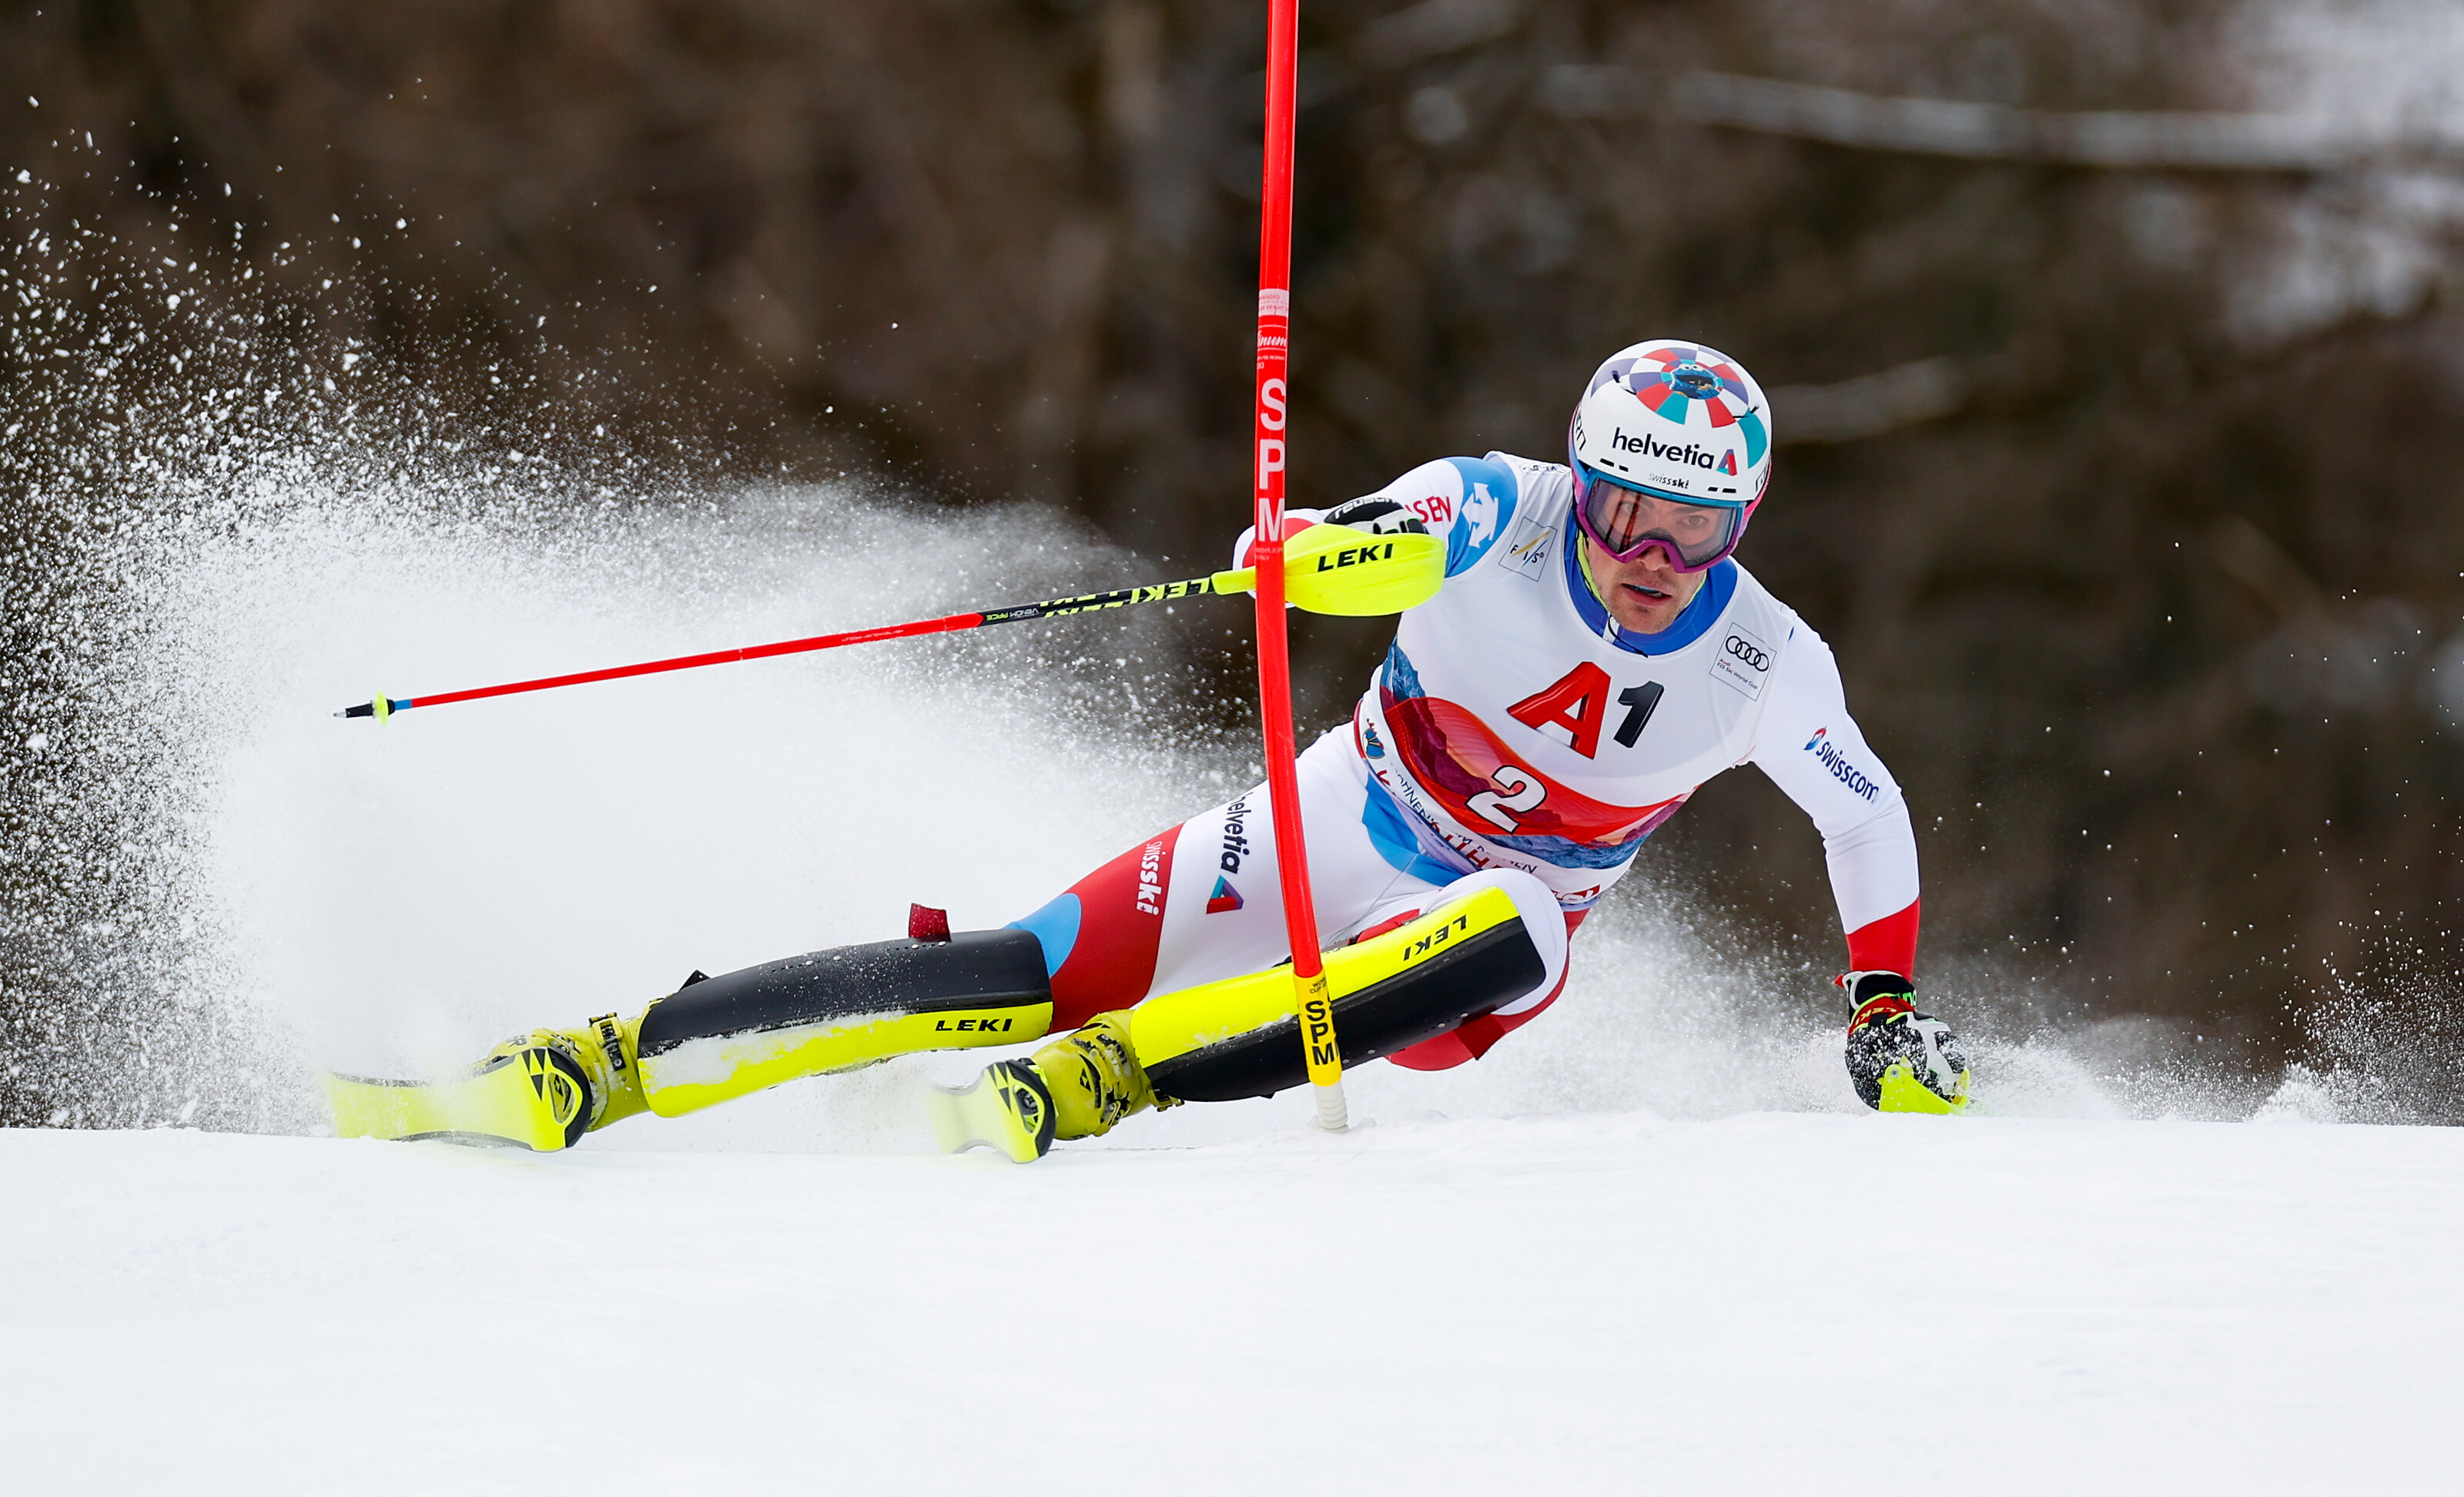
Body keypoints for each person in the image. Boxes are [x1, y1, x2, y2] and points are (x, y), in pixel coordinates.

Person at [326, 338, 1971, 1159]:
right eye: (1624, 511)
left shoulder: (1764, 657)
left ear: (1735, 526)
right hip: (1344, 810)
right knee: (1025, 958)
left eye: (1687, 531)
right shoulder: (1504, 506)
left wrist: (1880, 1009)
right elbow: (1400, 529)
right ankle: (604, 1057)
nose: (1642, 557)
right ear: (1581, 479)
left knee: (1528, 922)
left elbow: (1869, 817)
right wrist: (1318, 551)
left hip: (1482, 936)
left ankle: (1115, 1082)